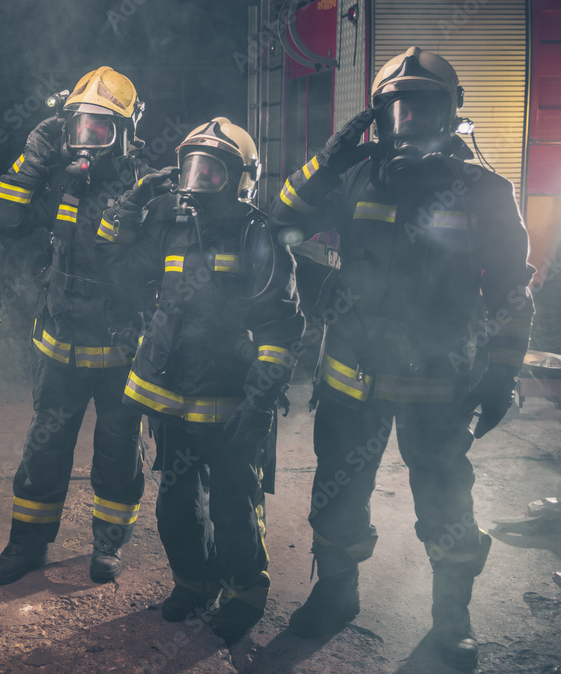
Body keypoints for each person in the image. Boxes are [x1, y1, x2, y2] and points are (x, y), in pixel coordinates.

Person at [270, 47, 535, 670]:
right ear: (379, 117)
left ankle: (452, 621)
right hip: (351, 379)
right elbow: (285, 218)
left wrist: (502, 370)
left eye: (423, 107)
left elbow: (510, 290)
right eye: (398, 108)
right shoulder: (358, 176)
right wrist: (331, 158)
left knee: (446, 504)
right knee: (337, 496)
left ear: (450, 114)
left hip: (438, 386)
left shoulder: (485, 192)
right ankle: (336, 594)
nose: (409, 119)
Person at [100, 118, 304, 643]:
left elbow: (282, 325)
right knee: (175, 500)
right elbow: (119, 269)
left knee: (235, 503)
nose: (198, 180)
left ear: (241, 179)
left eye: (212, 170)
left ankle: (244, 592)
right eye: (192, 167)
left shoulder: (258, 235)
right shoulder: (170, 225)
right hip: (172, 397)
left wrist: (260, 400)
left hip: (231, 399)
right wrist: (132, 204)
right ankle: (193, 582)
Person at [0, 67, 151, 585]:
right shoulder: (58, 178)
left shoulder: (146, 187)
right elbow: (6, 219)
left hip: (119, 346)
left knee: (118, 451)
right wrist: (33, 157)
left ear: (125, 133)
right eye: (81, 128)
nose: (88, 141)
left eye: (101, 130)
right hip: (59, 344)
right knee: (45, 447)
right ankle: (27, 543)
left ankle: (108, 544)